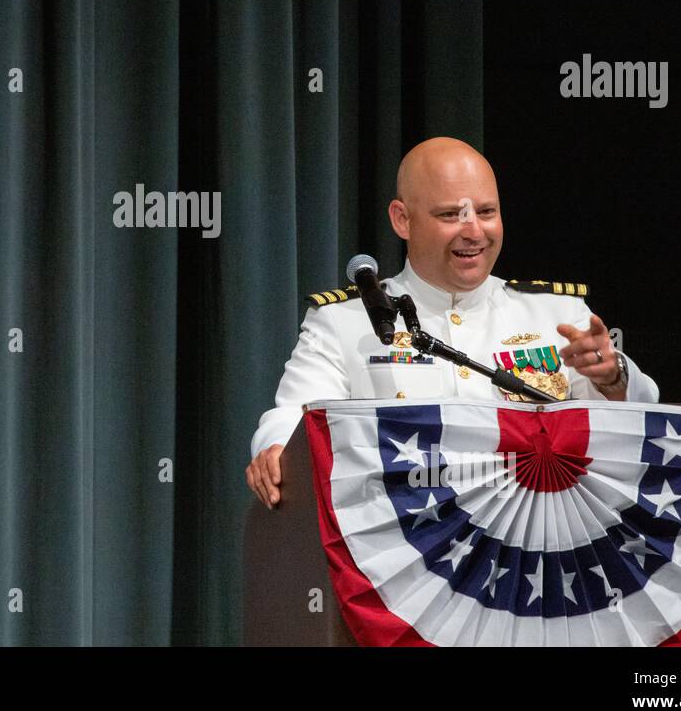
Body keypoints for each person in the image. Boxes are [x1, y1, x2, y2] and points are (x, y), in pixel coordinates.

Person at [245, 137, 658, 509]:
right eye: (450, 215)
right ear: (402, 219)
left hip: (536, 543)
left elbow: (640, 425)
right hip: (402, 553)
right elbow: (293, 418)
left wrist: (613, 377)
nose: (474, 231)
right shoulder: (343, 320)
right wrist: (276, 449)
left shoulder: (556, 313)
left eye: (487, 212)